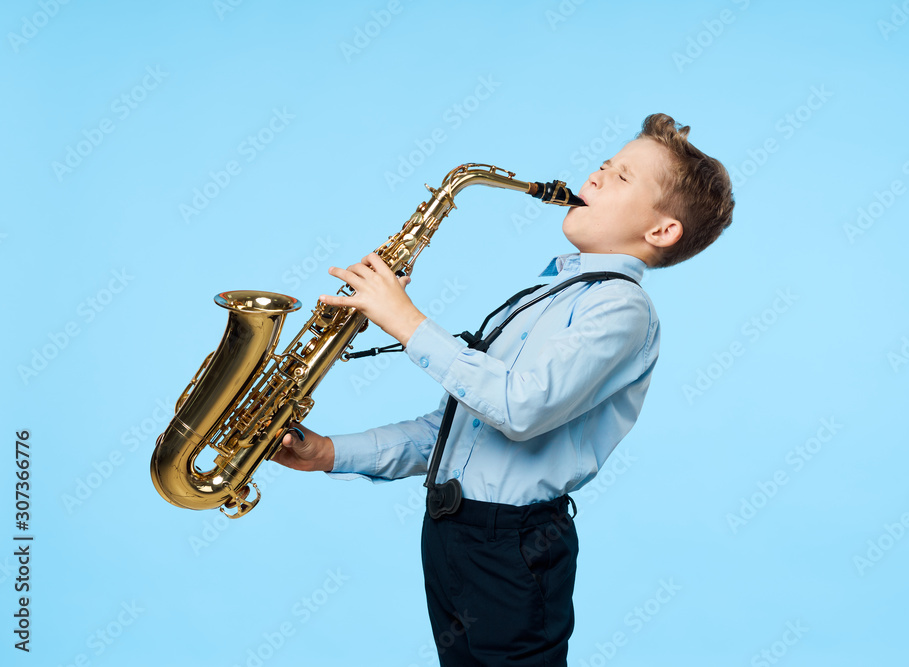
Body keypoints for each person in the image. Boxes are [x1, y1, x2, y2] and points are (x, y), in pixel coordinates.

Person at [271, 113, 735, 665]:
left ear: (660, 231)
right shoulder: (548, 293)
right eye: (605, 164)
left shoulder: (621, 308)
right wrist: (328, 453)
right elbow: (457, 431)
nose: (596, 175)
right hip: (453, 531)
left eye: (622, 177)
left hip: (515, 545)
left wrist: (407, 321)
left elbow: (519, 408)